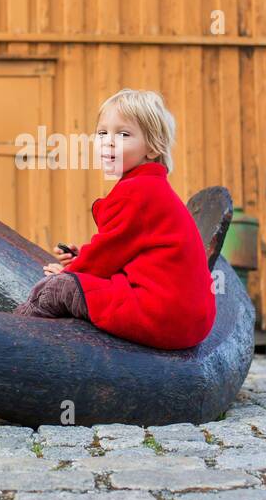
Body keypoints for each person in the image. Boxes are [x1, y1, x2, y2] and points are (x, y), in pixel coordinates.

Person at [13, 89, 217, 351]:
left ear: (153, 148)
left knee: (56, 290)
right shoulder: (152, 188)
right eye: (102, 133)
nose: (108, 142)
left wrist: (69, 273)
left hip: (164, 314)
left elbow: (106, 254)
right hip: (189, 319)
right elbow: (126, 251)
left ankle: (11, 342)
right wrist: (82, 257)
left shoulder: (137, 191)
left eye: (123, 134)